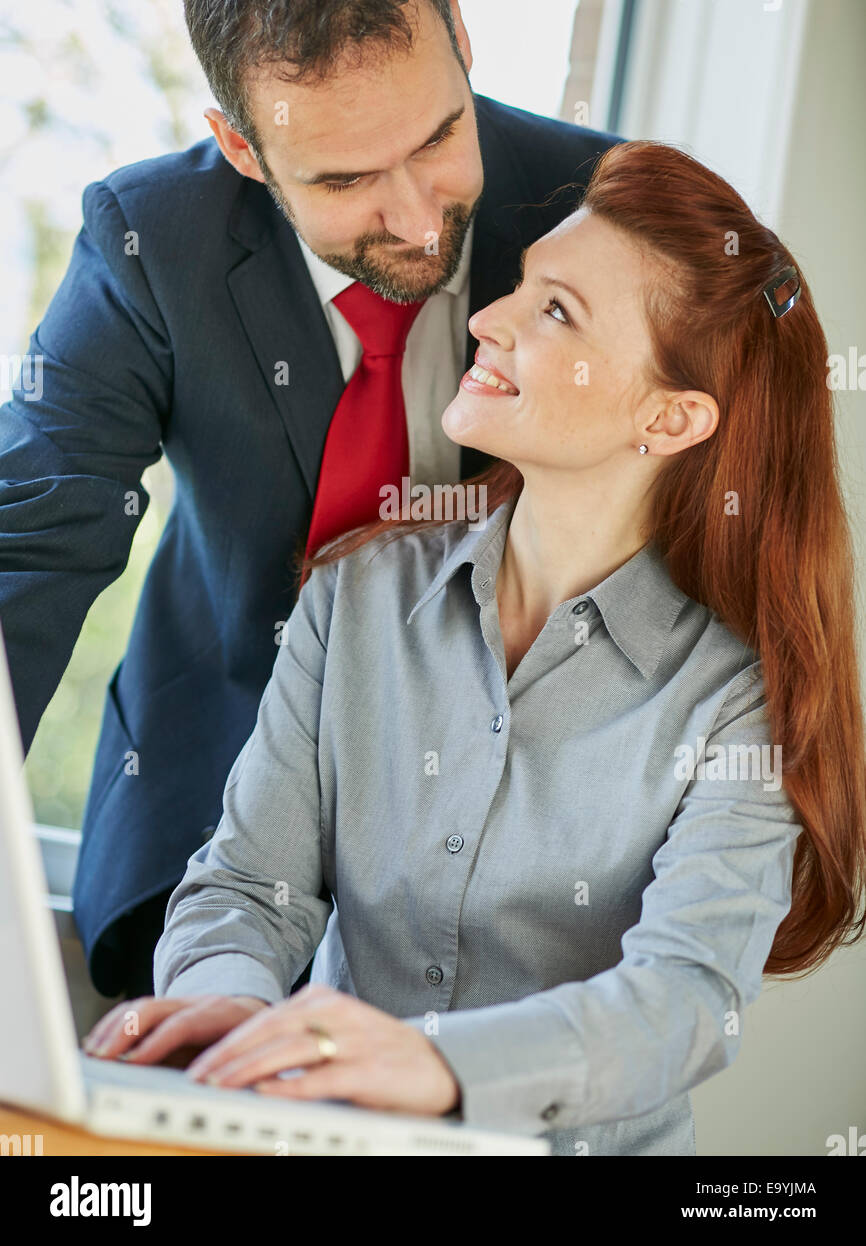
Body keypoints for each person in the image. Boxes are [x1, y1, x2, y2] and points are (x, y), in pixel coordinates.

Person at [85, 140, 866, 1156]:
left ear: (669, 417)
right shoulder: (356, 596)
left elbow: (682, 1000)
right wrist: (232, 1011)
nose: (486, 317)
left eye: (555, 312)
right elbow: (246, 887)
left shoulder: (735, 703)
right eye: (522, 286)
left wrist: (439, 1066)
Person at [0, 0, 620, 998]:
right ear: (241, 146)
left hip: (514, 841)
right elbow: (28, 540)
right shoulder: (150, 242)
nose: (421, 217)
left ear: (462, 38)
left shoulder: (604, 208)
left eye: (437, 136)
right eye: (343, 179)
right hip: (213, 809)